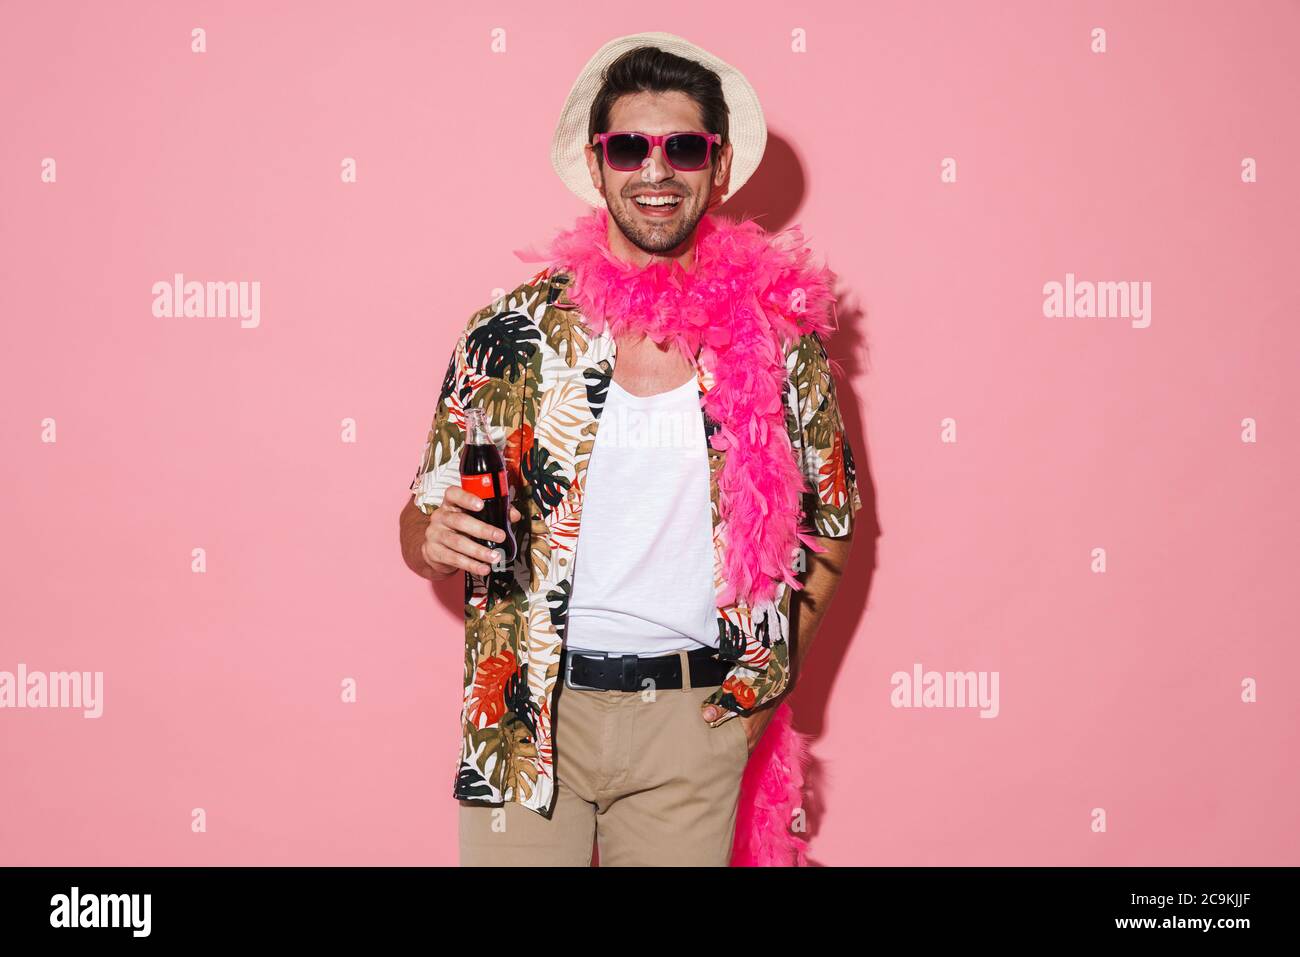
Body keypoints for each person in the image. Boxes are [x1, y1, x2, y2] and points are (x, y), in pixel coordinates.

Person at [398, 31, 863, 866]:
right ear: (597, 160)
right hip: (529, 712)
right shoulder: (511, 332)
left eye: (684, 147)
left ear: (717, 168)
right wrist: (430, 539)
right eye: (631, 147)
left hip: (692, 725)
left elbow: (831, 521)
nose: (657, 171)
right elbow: (419, 519)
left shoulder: (780, 338)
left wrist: (773, 672)